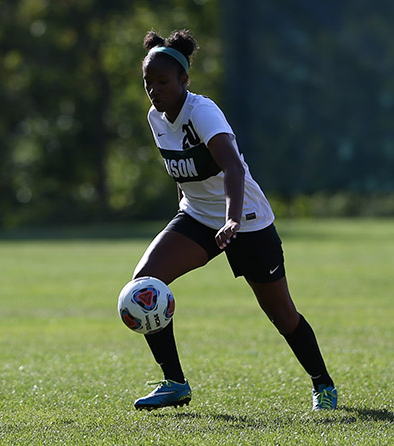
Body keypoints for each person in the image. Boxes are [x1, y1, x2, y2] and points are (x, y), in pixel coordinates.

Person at [126, 29, 337, 411]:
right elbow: (183, 172)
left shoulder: (202, 112)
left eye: (163, 81)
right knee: (145, 285)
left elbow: (234, 168)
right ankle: (174, 382)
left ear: (184, 80)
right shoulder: (155, 117)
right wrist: (186, 213)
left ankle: (323, 384)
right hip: (197, 217)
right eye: (148, 82)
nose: (154, 90)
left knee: (282, 314)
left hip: (247, 220)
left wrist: (232, 220)